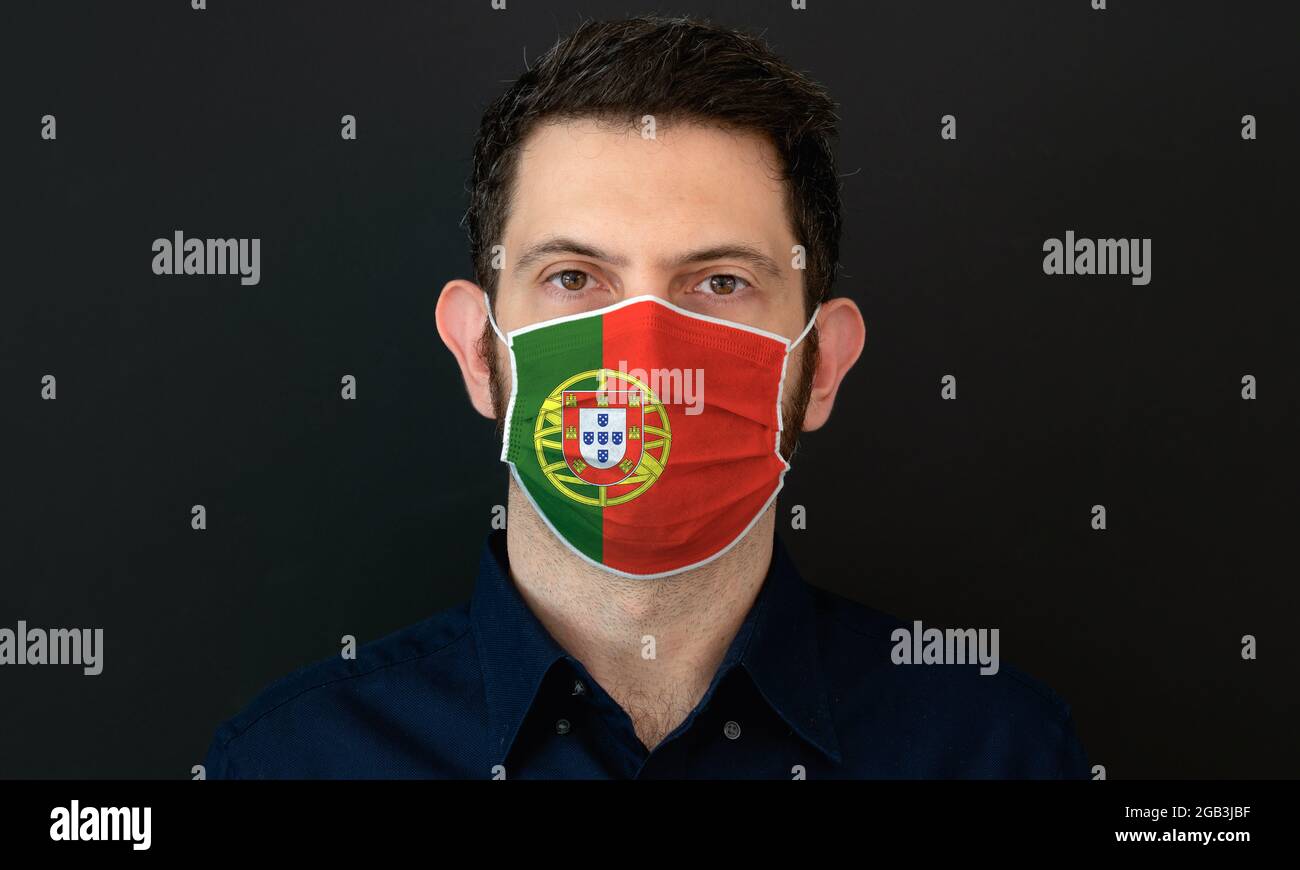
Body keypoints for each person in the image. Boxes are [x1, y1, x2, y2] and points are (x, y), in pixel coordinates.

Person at [202, 15, 1088, 779]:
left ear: (822, 365)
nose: (644, 349)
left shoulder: (1000, 752)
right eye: (575, 275)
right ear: (478, 350)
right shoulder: (292, 762)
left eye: (719, 283)